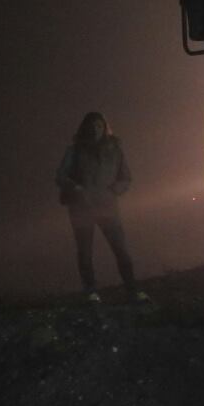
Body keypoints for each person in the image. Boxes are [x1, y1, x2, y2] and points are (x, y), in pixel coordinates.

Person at [55, 112, 148, 303]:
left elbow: (126, 177)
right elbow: (60, 176)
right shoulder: (74, 150)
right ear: (85, 128)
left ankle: (132, 289)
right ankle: (91, 291)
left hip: (107, 207)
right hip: (82, 208)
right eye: (92, 126)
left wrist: (114, 190)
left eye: (99, 125)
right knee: (85, 252)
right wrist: (76, 188)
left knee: (121, 249)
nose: (95, 129)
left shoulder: (114, 149)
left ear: (105, 127)